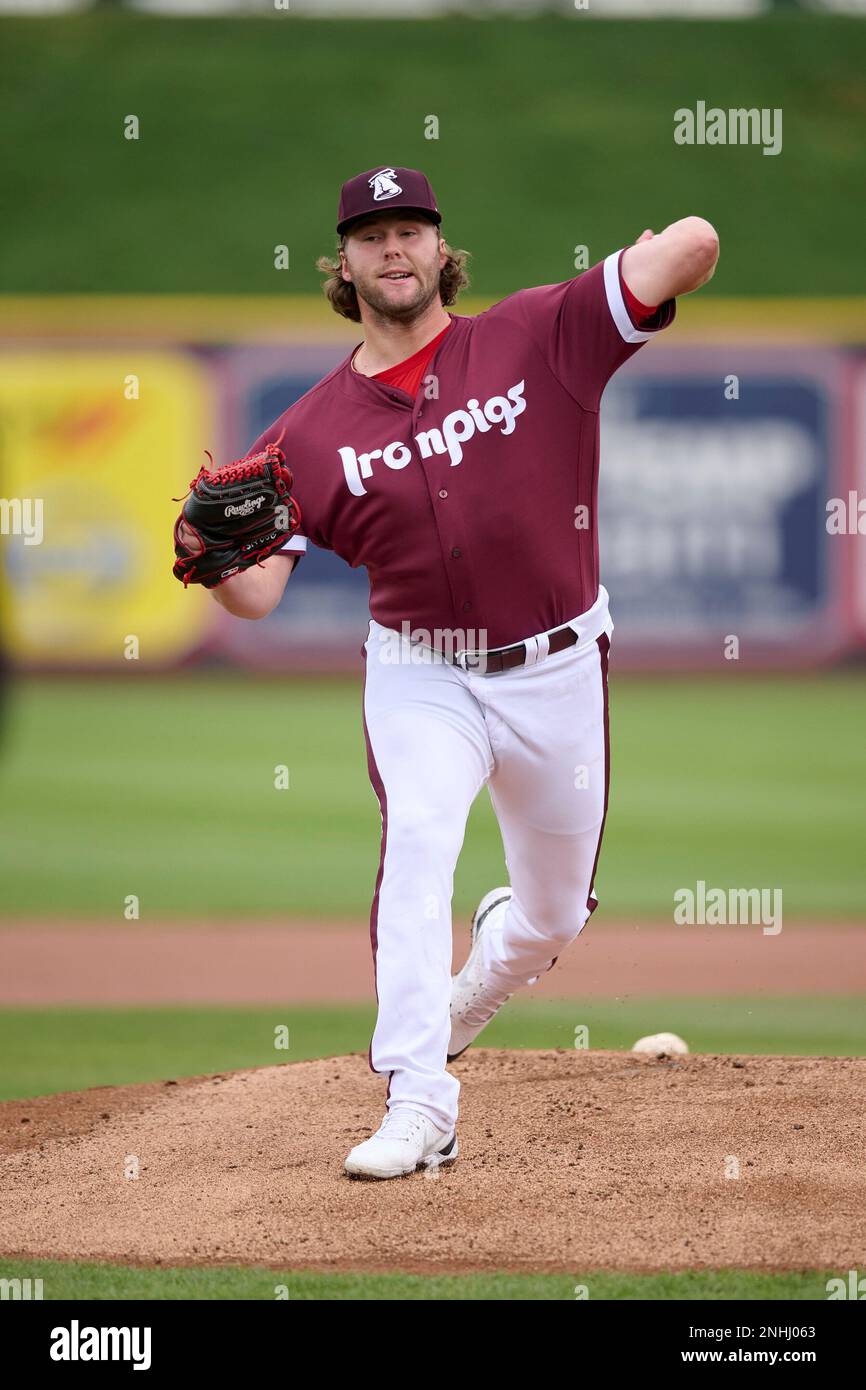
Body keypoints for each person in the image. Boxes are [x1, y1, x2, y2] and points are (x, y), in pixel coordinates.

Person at [212, 165, 719, 1180]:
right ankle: (418, 1098)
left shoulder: (540, 334)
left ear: (444, 252)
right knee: (416, 853)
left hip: (558, 666)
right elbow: (256, 594)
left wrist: (659, 253)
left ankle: (475, 984)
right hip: (419, 674)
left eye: (410, 229)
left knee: (552, 915)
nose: (392, 248)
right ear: (341, 265)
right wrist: (217, 562)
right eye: (370, 234)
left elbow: (694, 245)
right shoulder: (306, 432)